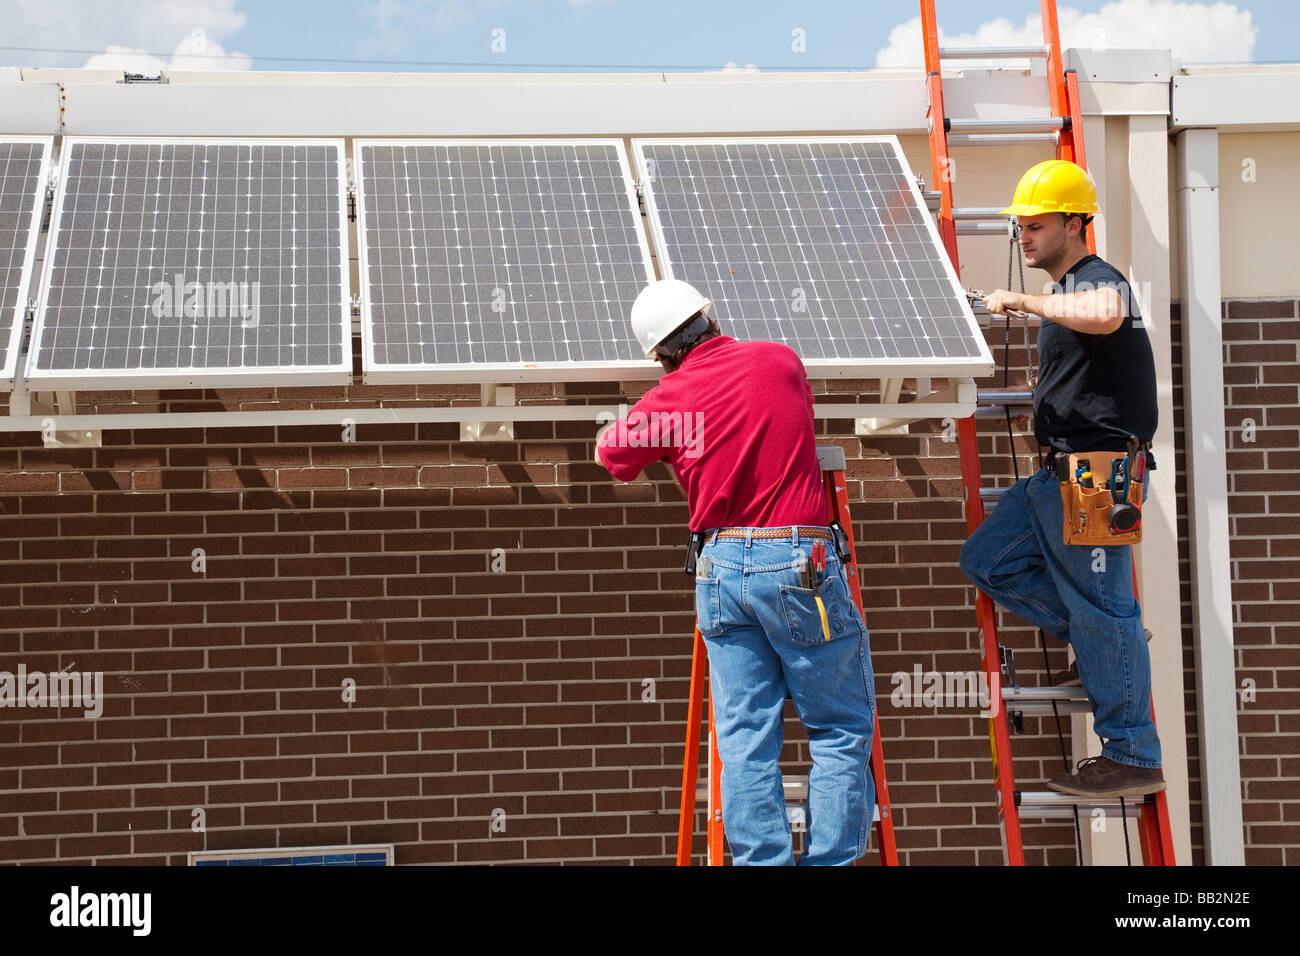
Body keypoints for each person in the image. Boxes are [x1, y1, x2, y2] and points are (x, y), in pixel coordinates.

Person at [594, 278, 876, 865]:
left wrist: (664, 415)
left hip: (720, 567)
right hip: (796, 560)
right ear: (710, 319)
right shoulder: (779, 361)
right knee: (839, 730)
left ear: (661, 354)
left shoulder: (669, 399)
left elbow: (612, 455)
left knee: (745, 742)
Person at [959, 160, 1165, 798]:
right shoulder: (1067, 291)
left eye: (1037, 225)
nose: (1025, 236)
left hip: (1099, 475)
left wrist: (1018, 299)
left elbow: (1105, 314)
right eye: (1020, 226)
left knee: (1104, 606)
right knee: (987, 560)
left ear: (1076, 224)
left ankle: (1131, 753)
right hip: (1060, 477)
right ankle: (1106, 640)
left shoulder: (1098, 281)